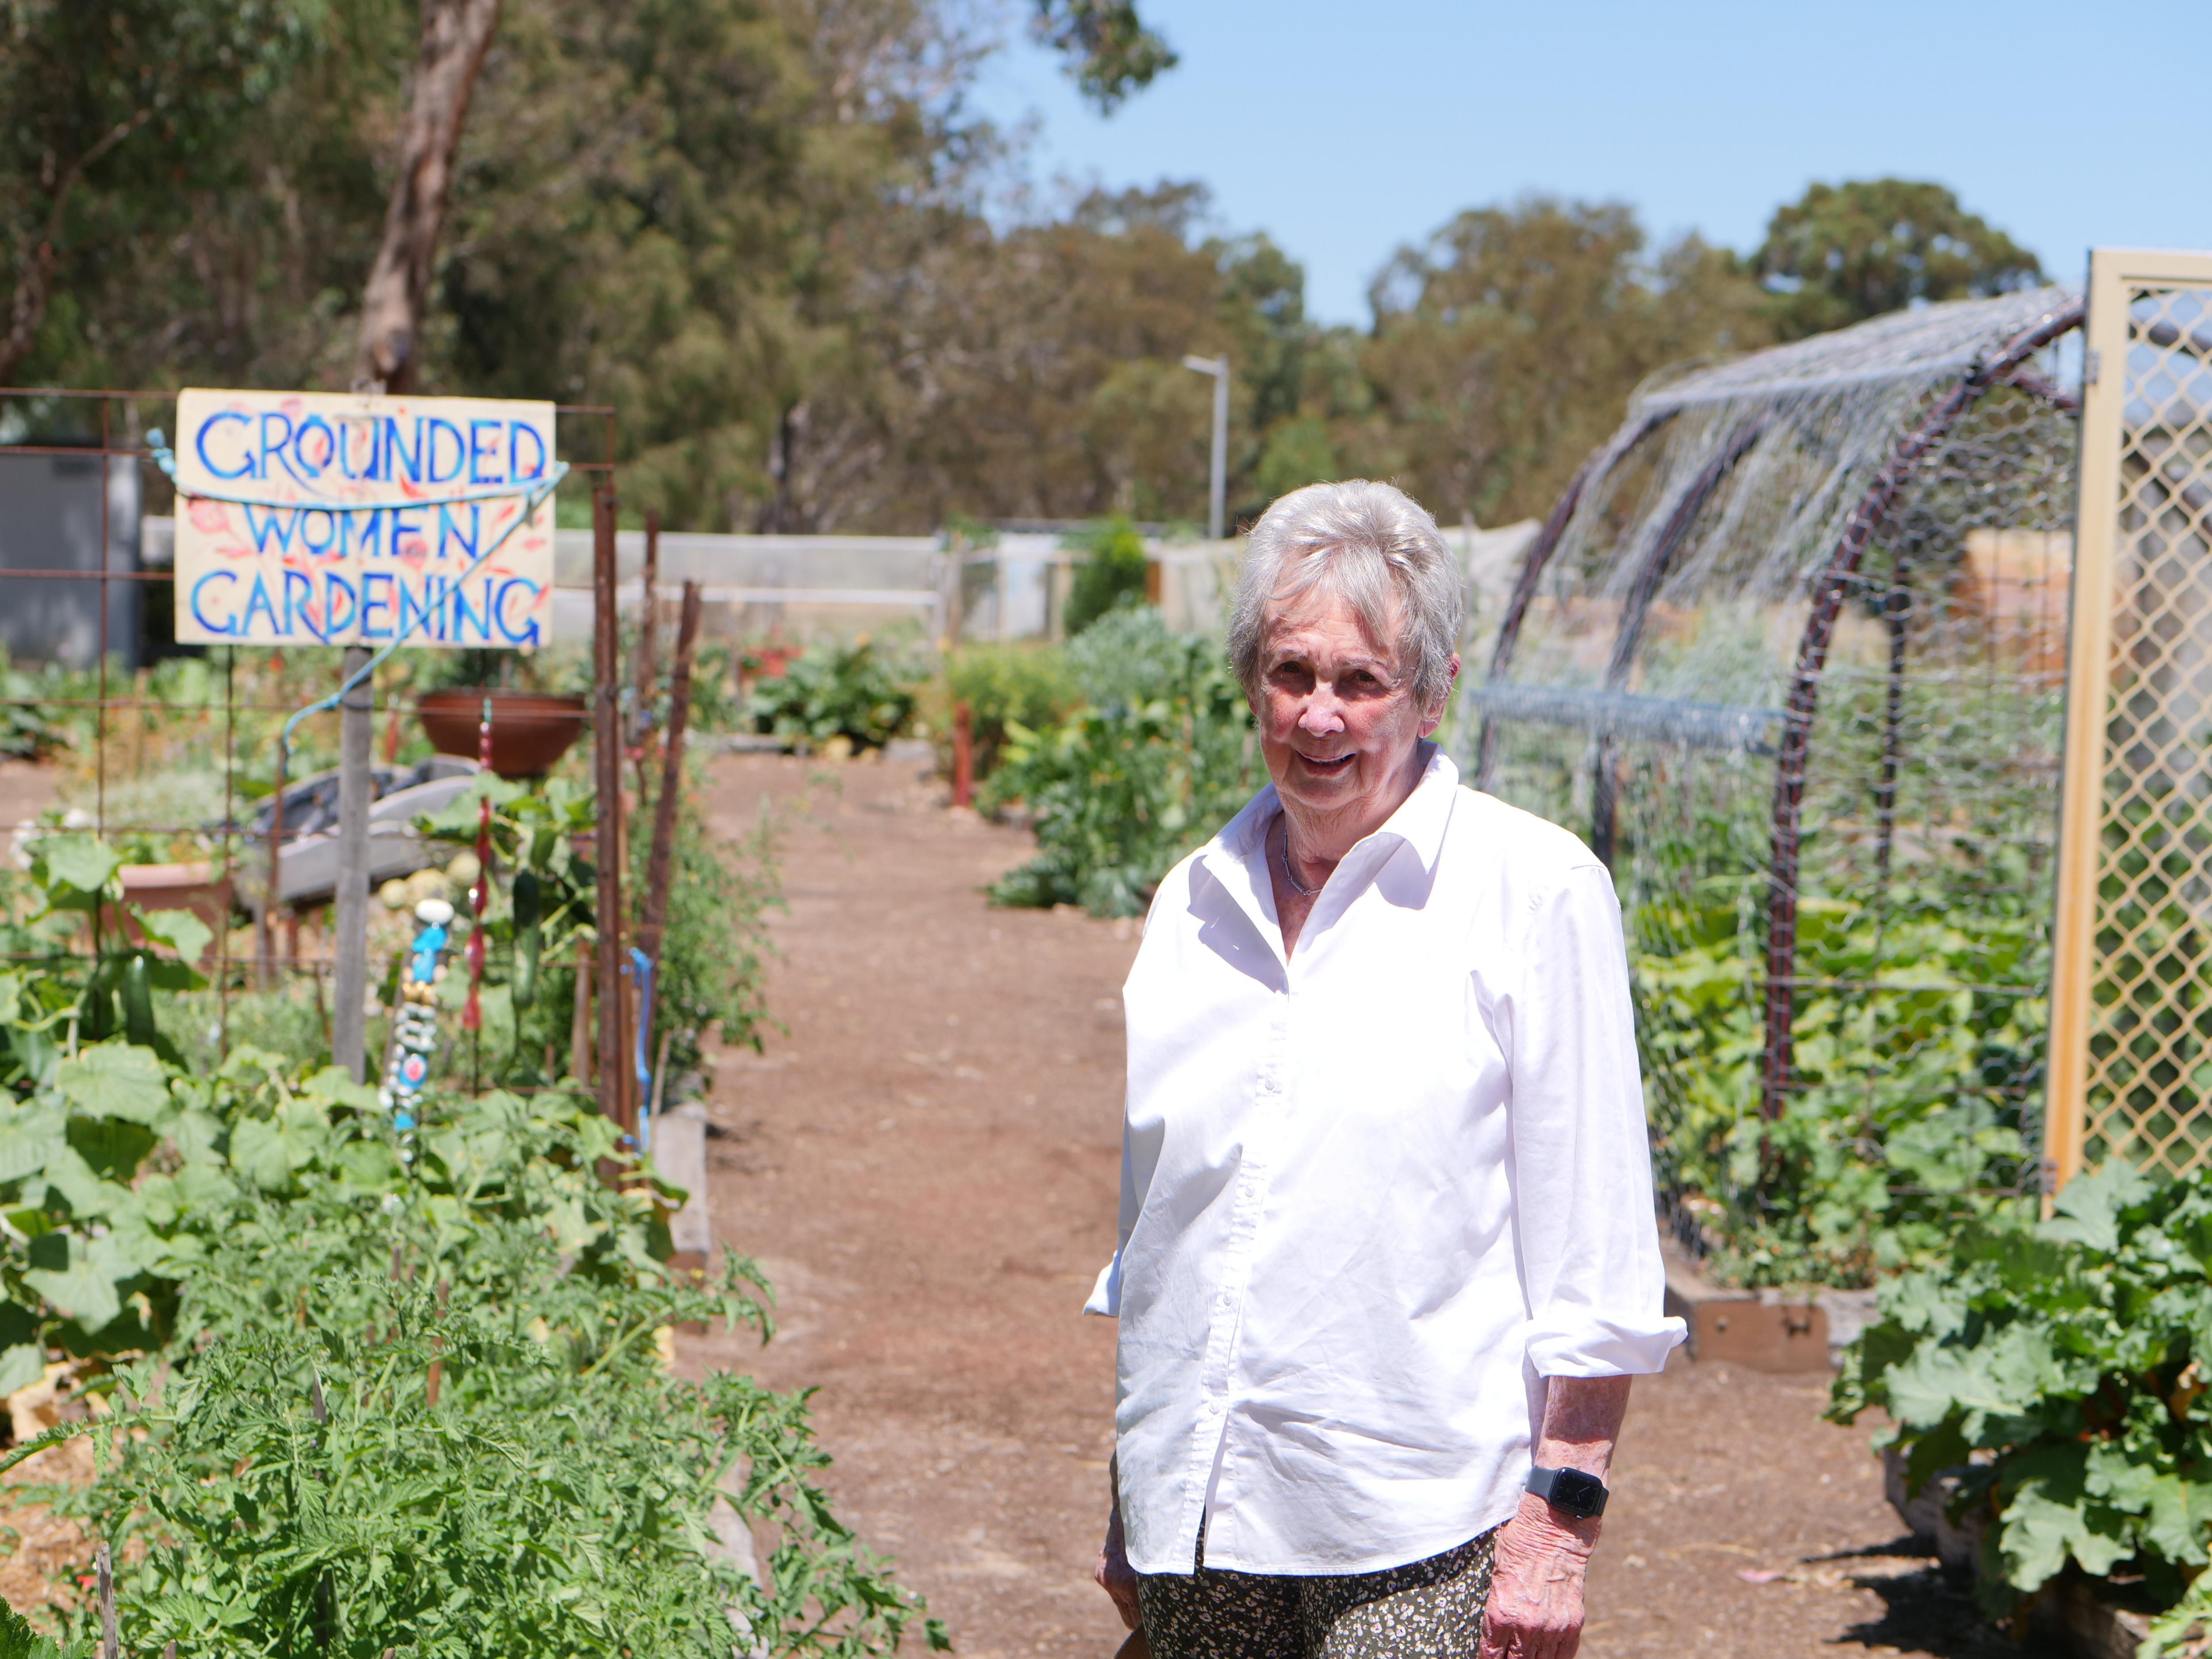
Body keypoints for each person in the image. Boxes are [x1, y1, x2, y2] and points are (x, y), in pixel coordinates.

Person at [1086, 480, 1684, 1658]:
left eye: (1362, 683)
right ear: (1252, 680)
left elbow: (1596, 1245)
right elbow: (1161, 1223)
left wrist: (1558, 1525)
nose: (1321, 716)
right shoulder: (1194, 901)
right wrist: (1133, 1487)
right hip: (1204, 1511)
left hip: (1420, 1523)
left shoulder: (1533, 890)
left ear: (1432, 693)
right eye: (1293, 674)